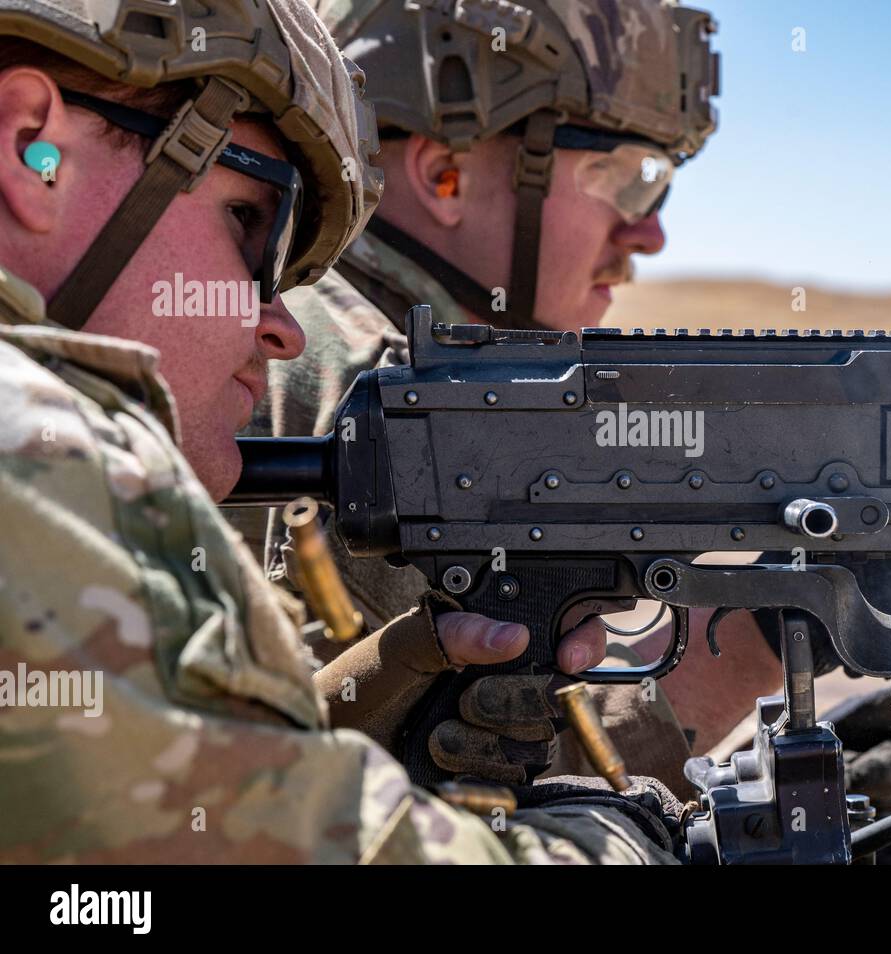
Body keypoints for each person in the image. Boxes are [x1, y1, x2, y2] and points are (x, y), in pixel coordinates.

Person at [233, 0, 891, 797]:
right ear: (445, 174)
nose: (649, 233)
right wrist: (774, 642)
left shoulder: (343, 340)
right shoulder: (386, 394)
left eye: (657, 187)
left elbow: (461, 744)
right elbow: (416, 805)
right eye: (621, 178)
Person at [0, 0, 676, 864]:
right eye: (249, 217)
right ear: (34, 151)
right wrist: (626, 843)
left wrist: (390, 674)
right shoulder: (44, 455)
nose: (285, 330)